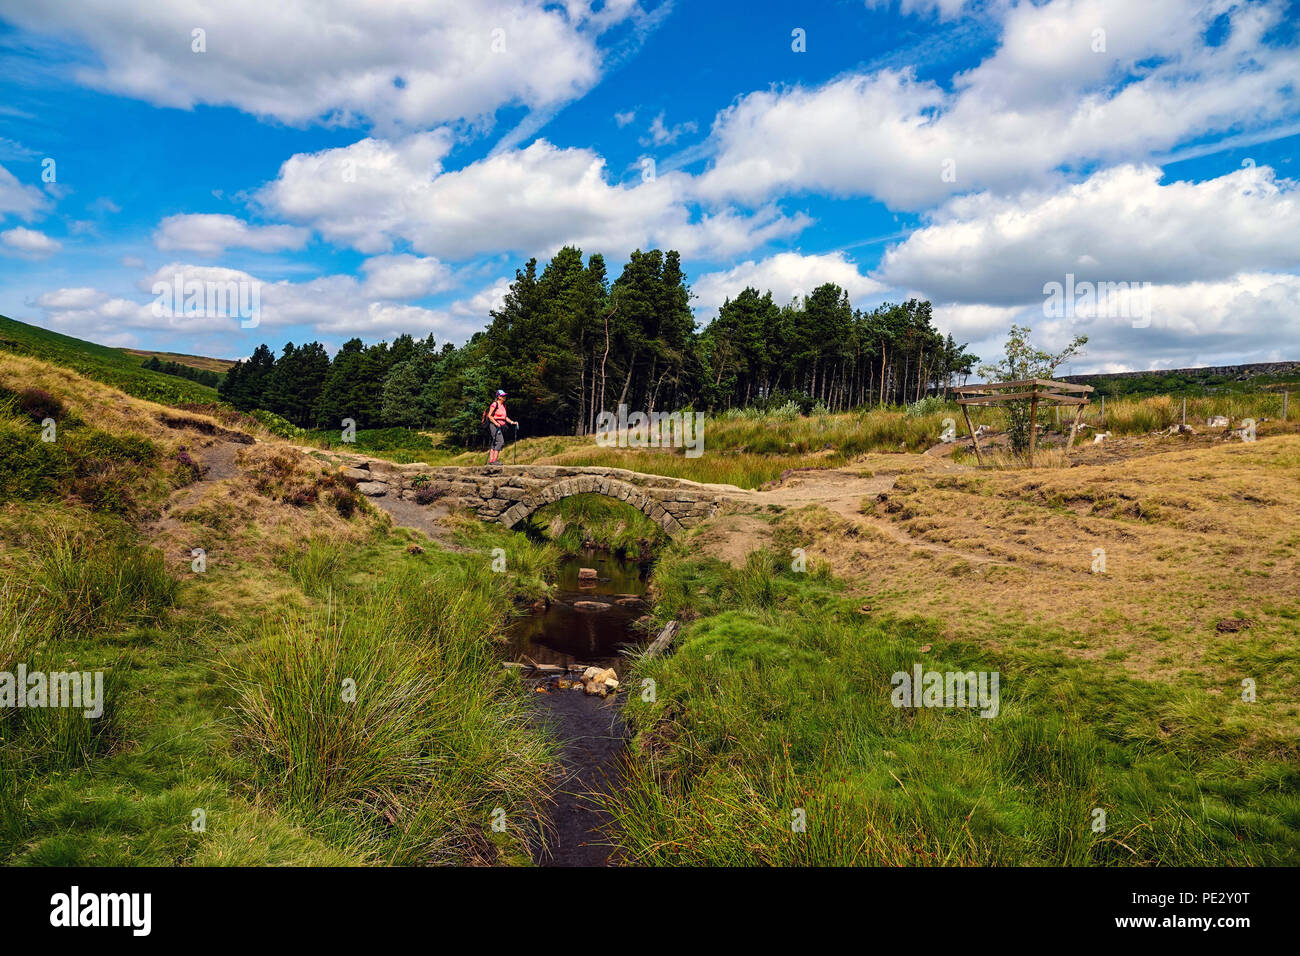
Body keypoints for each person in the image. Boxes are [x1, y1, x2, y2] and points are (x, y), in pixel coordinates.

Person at [483, 389, 517, 465]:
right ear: (498, 397)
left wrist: (512, 422)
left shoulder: (503, 406)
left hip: (500, 425)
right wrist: (496, 423)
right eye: (503, 396)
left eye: (505, 395)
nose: (504, 397)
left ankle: (491, 461)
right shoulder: (495, 404)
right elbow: (489, 416)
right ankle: (495, 460)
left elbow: (504, 417)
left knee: (495, 441)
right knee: (500, 441)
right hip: (494, 425)